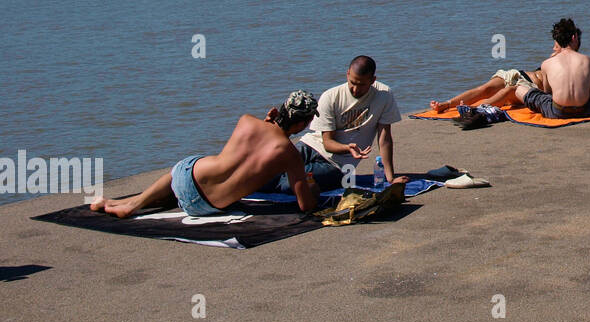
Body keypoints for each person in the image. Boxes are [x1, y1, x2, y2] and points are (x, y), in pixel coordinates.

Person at [91, 91, 324, 217]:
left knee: (185, 167)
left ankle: (130, 203)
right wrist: (311, 189)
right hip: (205, 207)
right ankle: (125, 203)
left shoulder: (246, 121)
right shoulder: (290, 155)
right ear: (302, 124)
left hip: (187, 180)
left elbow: (251, 147)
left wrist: (266, 121)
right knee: (195, 187)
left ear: (279, 109)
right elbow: (305, 205)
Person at [301, 56, 407, 186]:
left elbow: (384, 140)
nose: (356, 89)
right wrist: (347, 148)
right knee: (272, 167)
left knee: (291, 181)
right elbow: (327, 143)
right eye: (352, 83)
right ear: (347, 74)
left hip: (336, 164)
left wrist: (390, 178)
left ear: (373, 80)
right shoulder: (330, 96)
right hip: (308, 146)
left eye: (362, 85)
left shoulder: (384, 95)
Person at [515, 18, 590, 119]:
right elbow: (589, 93)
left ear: (557, 41)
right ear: (574, 37)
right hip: (585, 111)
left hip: (557, 112)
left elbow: (548, 93)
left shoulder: (546, 64)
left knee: (519, 89)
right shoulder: (588, 61)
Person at [430, 66, 540, 113]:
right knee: (484, 89)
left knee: (505, 94)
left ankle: (473, 110)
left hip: (530, 86)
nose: (554, 48)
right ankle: (447, 104)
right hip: (517, 74)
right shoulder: (553, 58)